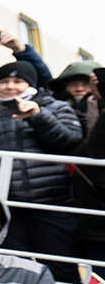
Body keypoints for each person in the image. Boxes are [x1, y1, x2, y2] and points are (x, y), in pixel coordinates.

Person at [0, 59, 81, 282]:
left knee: (61, 268)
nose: (10, 86)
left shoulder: (55, 106)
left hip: (52, 201)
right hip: (4, 204)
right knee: (9, 270)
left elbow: (70, 142)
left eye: (18, 81)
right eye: (4, 82)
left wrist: (38, 116)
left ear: (31, 85)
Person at [49, 59, 105, 265]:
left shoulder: (98, 104)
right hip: (68, 186)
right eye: (74, 84)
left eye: (86, 84)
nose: (80, 88)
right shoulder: (57, 108)